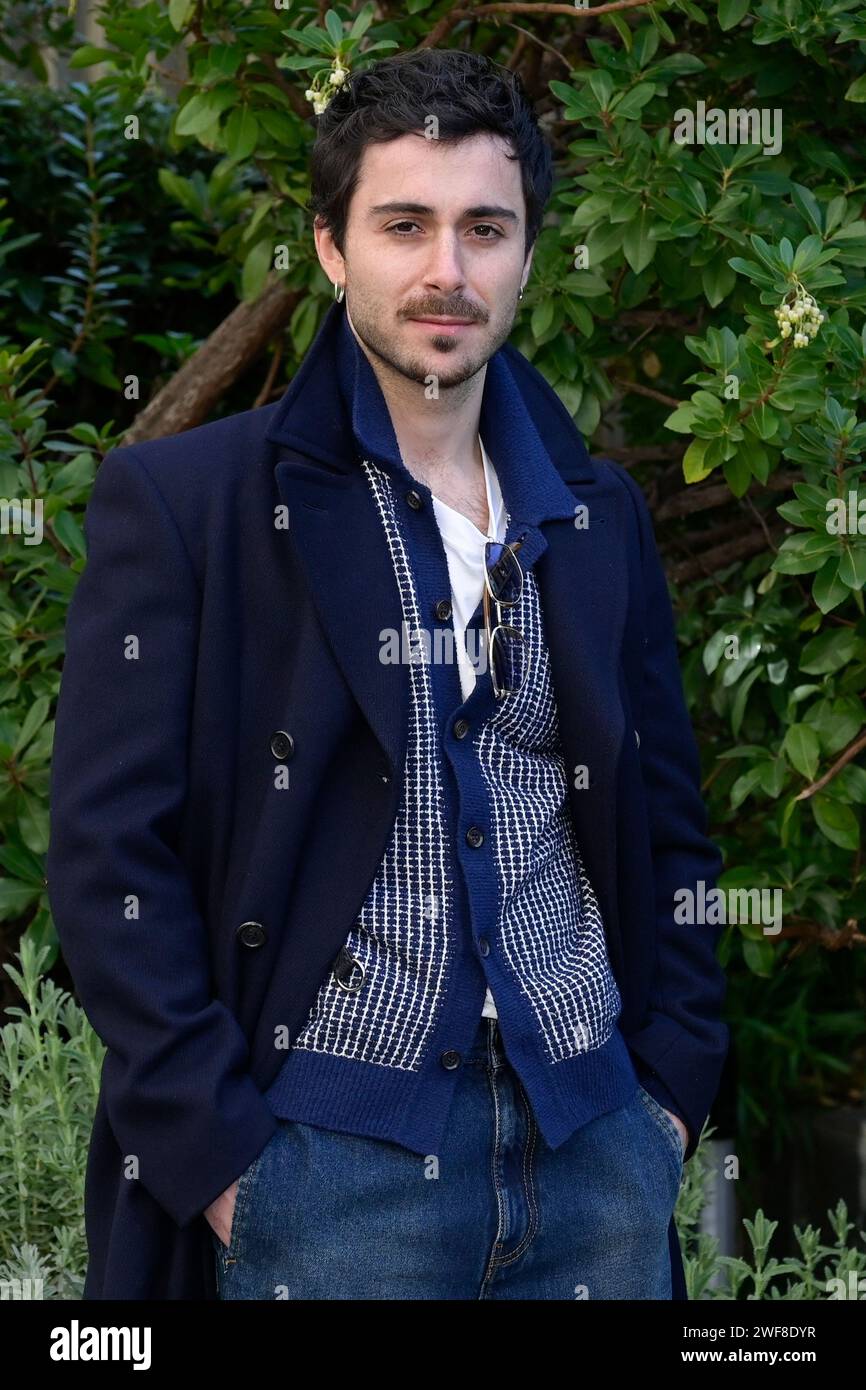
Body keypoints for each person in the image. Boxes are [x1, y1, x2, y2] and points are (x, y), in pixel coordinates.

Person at [46, 47, 728, 1301]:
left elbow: (666, 825)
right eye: (403, 224)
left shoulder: (595, 514)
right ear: (329, 247)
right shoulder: (192, 506)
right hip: (322, 1171)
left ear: (526, 255)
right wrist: (224, 1164)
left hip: (596, 1165)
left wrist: (668, 1095)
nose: (446, 272)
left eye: (484, 228)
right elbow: (106, 862)